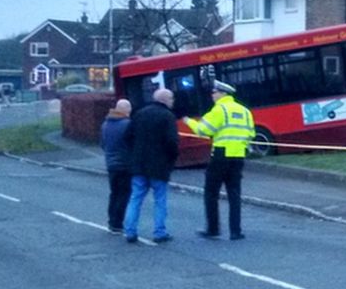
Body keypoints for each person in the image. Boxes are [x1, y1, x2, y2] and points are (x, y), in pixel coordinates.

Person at [183, 80, 255, 241]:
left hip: (221, 154)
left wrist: (189, 122)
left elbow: (203, 130)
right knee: (234, 194)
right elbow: (251, 133)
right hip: (238, 155)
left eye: (214, 92)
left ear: (223, 94)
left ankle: (213, 229)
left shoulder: (219, 110)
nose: (212, 95)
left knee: (211, 192)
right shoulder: (244, 111)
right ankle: (235, 231)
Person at [122, 87, 179, 244]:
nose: (173, 101)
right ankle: (159, 232)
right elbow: (172, 142)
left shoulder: (139, 113)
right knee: (160, 200)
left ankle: (130, 232)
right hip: (159, 166)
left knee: (135, 199)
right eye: (172, 98)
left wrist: (135, 154)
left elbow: (127, 137)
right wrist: (172, 160)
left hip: (139, 165)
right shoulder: (168, 116)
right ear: (165, 100)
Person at [100, 98, 132, 234]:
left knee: (114, 193)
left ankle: (112, 222)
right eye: (129, 109)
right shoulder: (128, 124)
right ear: (125, 110)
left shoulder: (105, 124)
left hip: (111, 164)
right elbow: (132, 144)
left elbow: (102, 144)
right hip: (125, 164)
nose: (130, 111)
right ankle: (118, 223)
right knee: (124, 194)